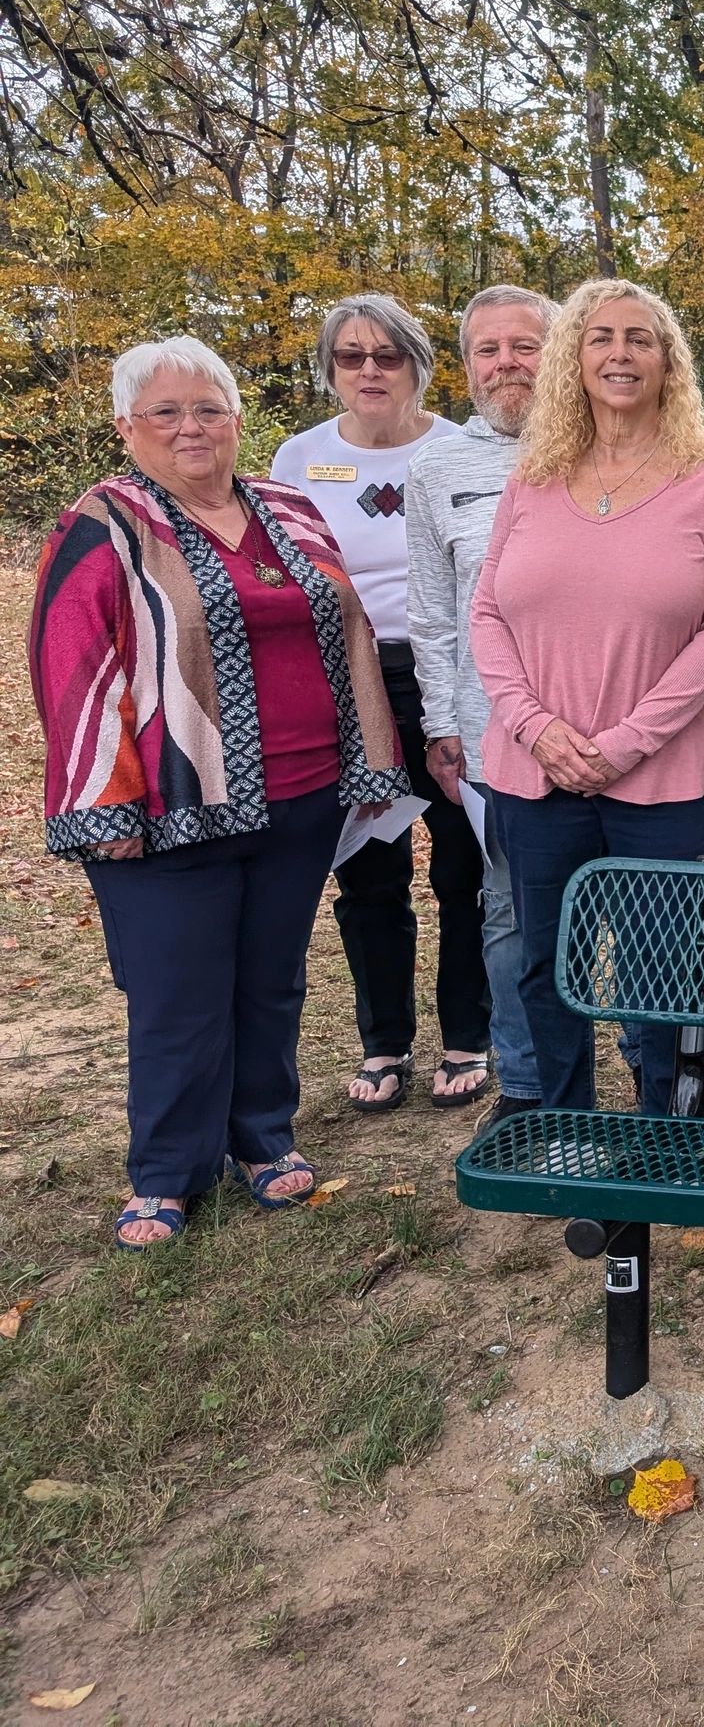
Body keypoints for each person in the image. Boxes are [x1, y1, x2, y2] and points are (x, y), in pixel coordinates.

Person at [30, 338, 409, 1249]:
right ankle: (167, 1172)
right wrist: (102, 803)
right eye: (165, 412)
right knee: (177, 993)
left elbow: (349, 636)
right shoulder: (104, 523)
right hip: (169, 807)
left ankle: (262, 1137)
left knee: (271, 983)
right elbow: (71, 667)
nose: (190, 427)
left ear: (239, 420)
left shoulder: (290, 510)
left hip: (301, 796)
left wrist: (367, 765)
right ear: (128, 428)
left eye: (208, 408)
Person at [470, 279, 704, 1115]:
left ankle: (669, 1130)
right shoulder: (533, 477)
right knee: (546, 966)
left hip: (665, 781)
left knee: (667, 970)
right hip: (535, 774)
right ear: (573, 358)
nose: (620, 354)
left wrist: (625, 742)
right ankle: (565, 1124)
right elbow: (486, 611)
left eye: (641, 338)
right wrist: (536, 728)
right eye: (600, 338)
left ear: (670, 363)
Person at [271, 294, 483, 1114]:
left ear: (418, 367)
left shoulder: (462, 449)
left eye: (387, 355)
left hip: (449, 676)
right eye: (351, 355)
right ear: (329, 369)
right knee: (369, 871)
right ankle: (383, 1040)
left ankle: (468, 1031)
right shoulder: (299, 458)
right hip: (349, 683)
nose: (369, 370)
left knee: (465, 864)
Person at [407, 283, 557, 1121]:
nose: (507, 364)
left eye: (524, 345)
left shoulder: (605, 441)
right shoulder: (438, 469)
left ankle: (655, 1082)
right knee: (508, 912)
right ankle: (528, 1083)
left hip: (610, 727)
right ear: (466, 367)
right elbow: (430, 614)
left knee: (630, 907)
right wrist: (439, 722)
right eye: (487, 350)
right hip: (490, 732)